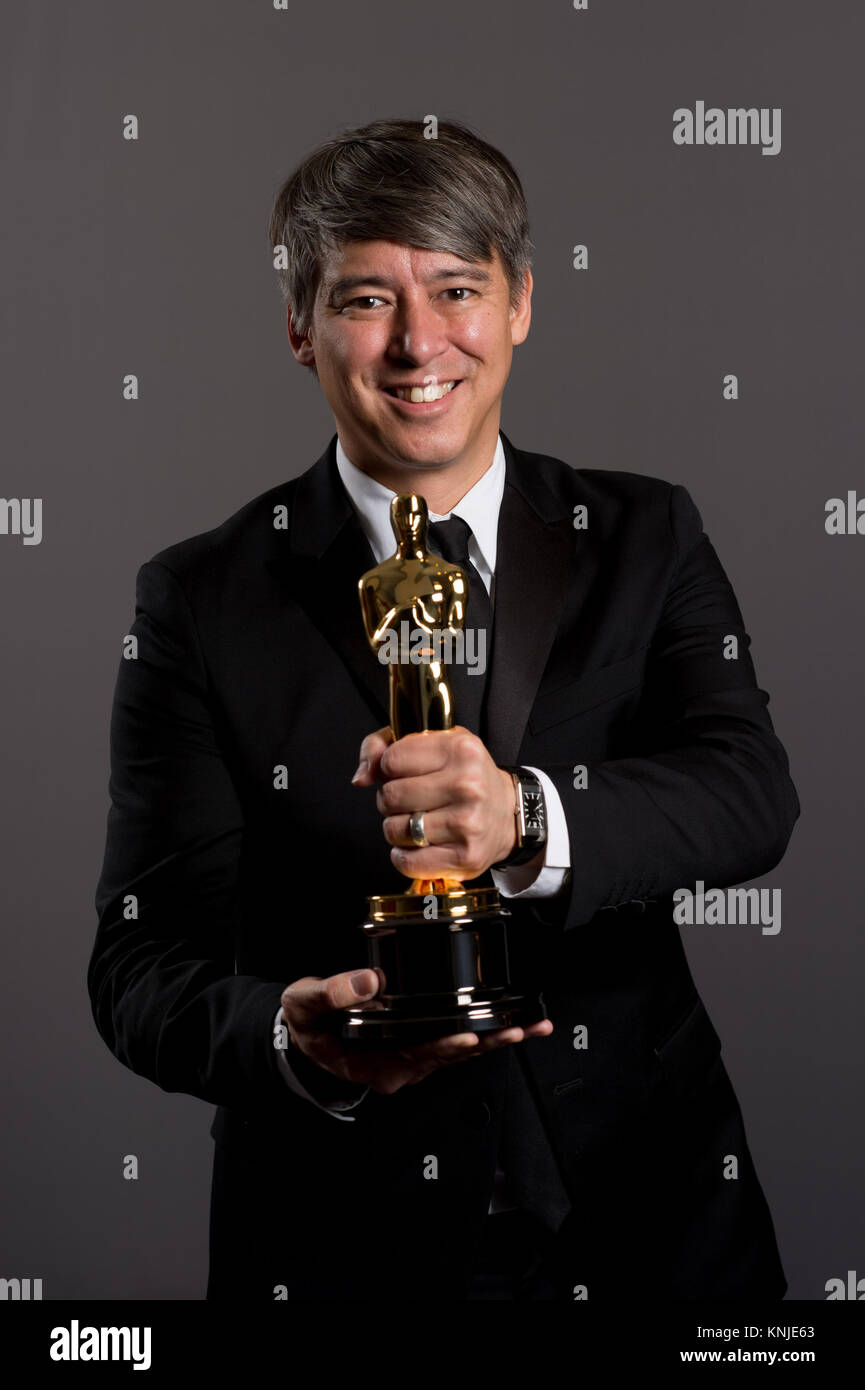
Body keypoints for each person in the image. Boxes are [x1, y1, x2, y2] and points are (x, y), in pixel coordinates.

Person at [89, 117, 800, 1301]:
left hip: (656, 1218)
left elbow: (747, 791)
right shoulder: (199, 598)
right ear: (299, 327)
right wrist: (292, 1039)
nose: (420, 343)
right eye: (367, 299)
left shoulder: (644, 534)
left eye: (458, 288)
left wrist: (527, 817)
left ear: (520, 302)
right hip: (335, 1241)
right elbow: (139, 962)